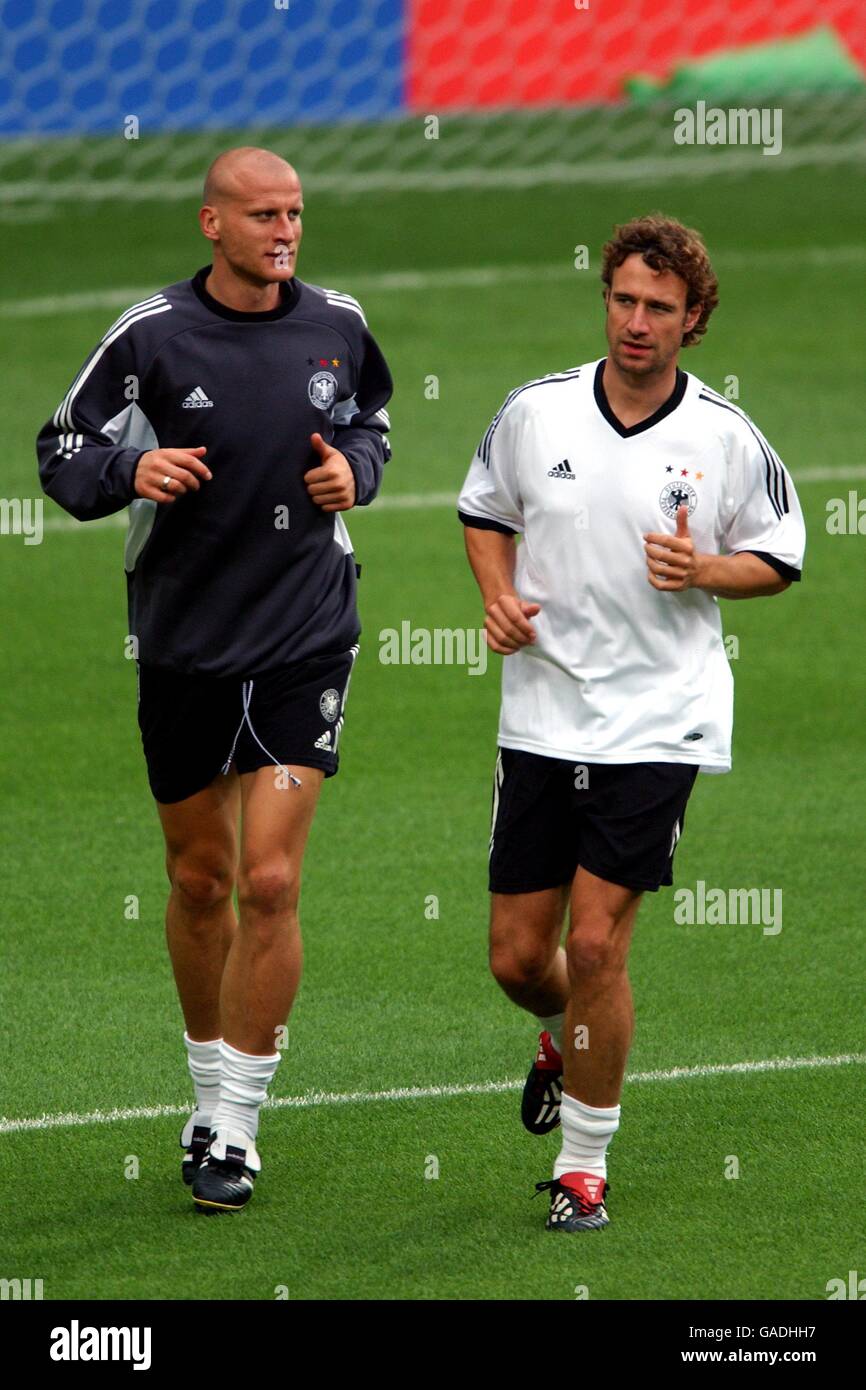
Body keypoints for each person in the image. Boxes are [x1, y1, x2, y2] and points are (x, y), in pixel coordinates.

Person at [37, 147, 393, 1213]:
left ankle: (235, 1124)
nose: (283, 232)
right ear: (211, 224)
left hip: (305, 634)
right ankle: (202, 1092)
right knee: (200, 878)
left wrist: (353, 473)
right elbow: (59, 448)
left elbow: (371, 420)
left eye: (294, 213)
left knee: (271, 880)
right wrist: (127, 471)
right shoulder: (151, 336)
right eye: (262, 215)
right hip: (185, 641)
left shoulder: (336, 319)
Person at [457, 214, 805, 1233]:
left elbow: (780, 556)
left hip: (660, 720)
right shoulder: (536, 413)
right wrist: (494, 595)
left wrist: (703, 568)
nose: (635, 322)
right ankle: (558, 1037)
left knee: (597, 945)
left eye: (659, 307)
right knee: (520, 960)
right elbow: (485, 510)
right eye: (622, 299)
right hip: (543, 714)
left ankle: (581, 1167)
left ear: (692, 319)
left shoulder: (723, 437)